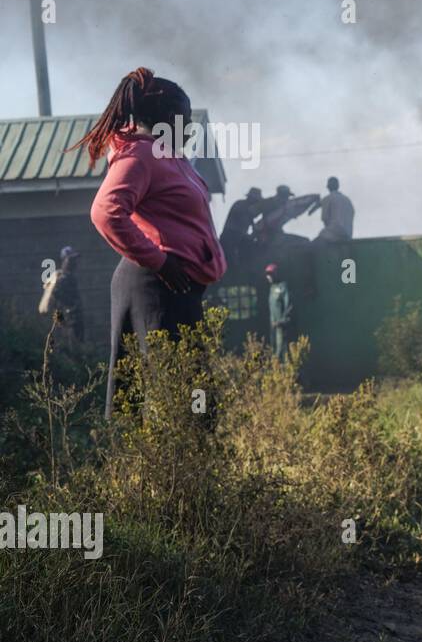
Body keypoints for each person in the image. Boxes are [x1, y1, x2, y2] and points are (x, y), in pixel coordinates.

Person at [80, 67, 226, 417]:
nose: (190, 128)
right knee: (172, 399)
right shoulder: (141, 156)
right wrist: (159, 261)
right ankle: (168, 471)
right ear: (166, 120)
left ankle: (185, 470)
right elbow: (105, 212)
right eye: (186, 119)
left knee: (192, 397)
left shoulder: (169, 157)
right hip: (155, 284)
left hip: (175, 286)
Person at [39, 245, 85, 342]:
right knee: (70, 348)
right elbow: (59, 302)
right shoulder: (61, 280)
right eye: (70, 260)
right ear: (63, 261)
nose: (74, 263)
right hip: (67, 323)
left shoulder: (69, 277)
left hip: (73, 321)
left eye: (75, 260)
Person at [219, 186, 263, 266]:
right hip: (229, 236)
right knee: (230, 262)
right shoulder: (240, 205)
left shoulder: (248, 208)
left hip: (237, 238)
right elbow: (242, 219)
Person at [311, 176, 354, 242]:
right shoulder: (347, 200)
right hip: (348, 234)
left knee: (312, 245)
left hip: (334, 232)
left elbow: (325, 219)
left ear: (328, 186)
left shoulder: (327, 199)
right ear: (338, 186)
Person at [265, 262, 292, 360]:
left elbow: (289, 307)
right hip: (273, 327)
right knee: (274, 349)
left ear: (276, 274)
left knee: (282, 352)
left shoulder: (283, 287)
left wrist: (281, 322)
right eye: (267, 274)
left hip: (282, 327)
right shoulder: (272, 288)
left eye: (271, 274)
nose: (268, 276)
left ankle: (286, 374)